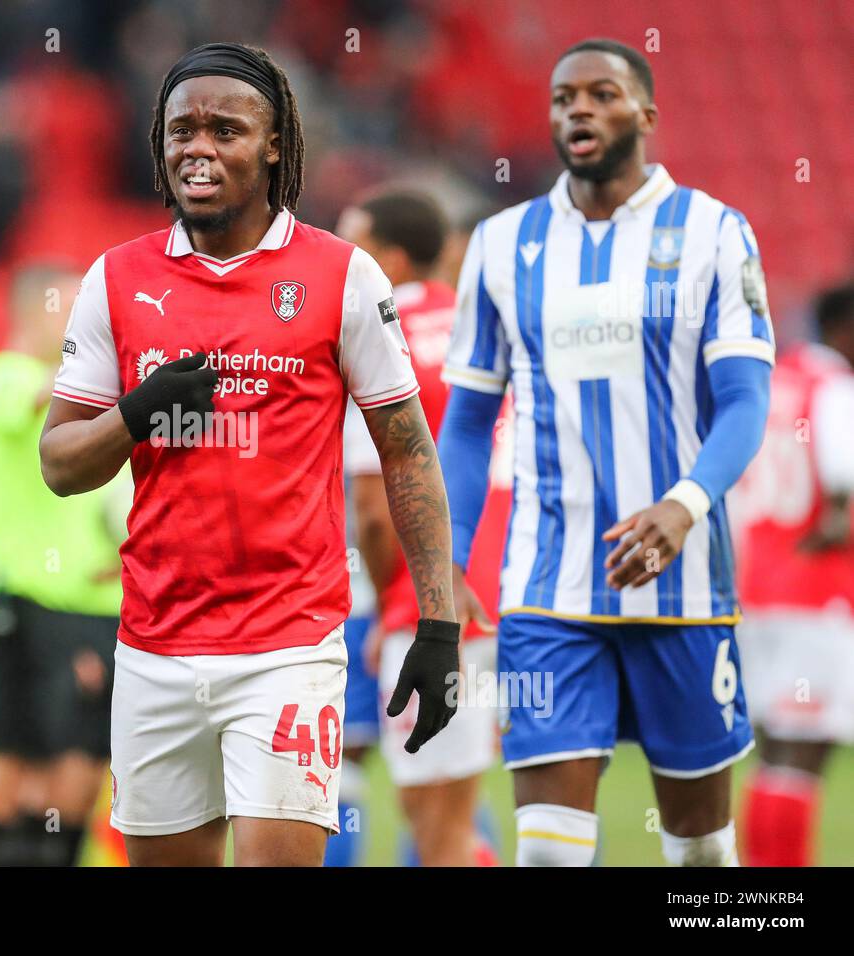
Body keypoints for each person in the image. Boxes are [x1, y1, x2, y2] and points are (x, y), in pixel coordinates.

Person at [39, 42, 459, 867]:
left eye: (224, 129)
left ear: (274, 145)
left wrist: (436, 622)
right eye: (180, 129)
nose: (197, 146)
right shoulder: (114, 280)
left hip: (288, 644)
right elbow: (59, 463)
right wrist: (136, 413)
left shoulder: (342, 276)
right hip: (155, 645)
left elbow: (407, 453)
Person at [439, 38, 774, 866]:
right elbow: (469, 421)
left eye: (600, 94)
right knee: (549, 853)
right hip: (546, 588)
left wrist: (683, 505)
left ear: (647, 115)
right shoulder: (502, 243)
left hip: (683, 586)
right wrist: (443, 556)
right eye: (562, 99)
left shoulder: (713, 233)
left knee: (700, 850)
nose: (577, 110)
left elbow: (744, 401)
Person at [339, 188, 510, 866]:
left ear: (393, 256)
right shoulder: (482, 327)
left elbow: (379, 511)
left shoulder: (378, 335)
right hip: (495, 592)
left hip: (426, 607)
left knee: (435, 827)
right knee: (452, 812)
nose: (342, 255)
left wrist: (390, 608)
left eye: (356, 242)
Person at [0, 263, 130, 866]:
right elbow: (36, 399)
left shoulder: (50, 393)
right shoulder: (5, 378)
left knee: (55, 776)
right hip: (41, 604)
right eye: (70, 311)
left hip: (75, 605)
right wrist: (132, 394)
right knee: (36, 769)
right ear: (35, 312)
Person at [734, 283, 854, 866]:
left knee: (777, 754)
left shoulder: (771, 383)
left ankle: (762, 893)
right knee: (804, 755)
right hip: (814, 593)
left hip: (758, 592)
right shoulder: (833, 389)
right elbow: (839, 505)